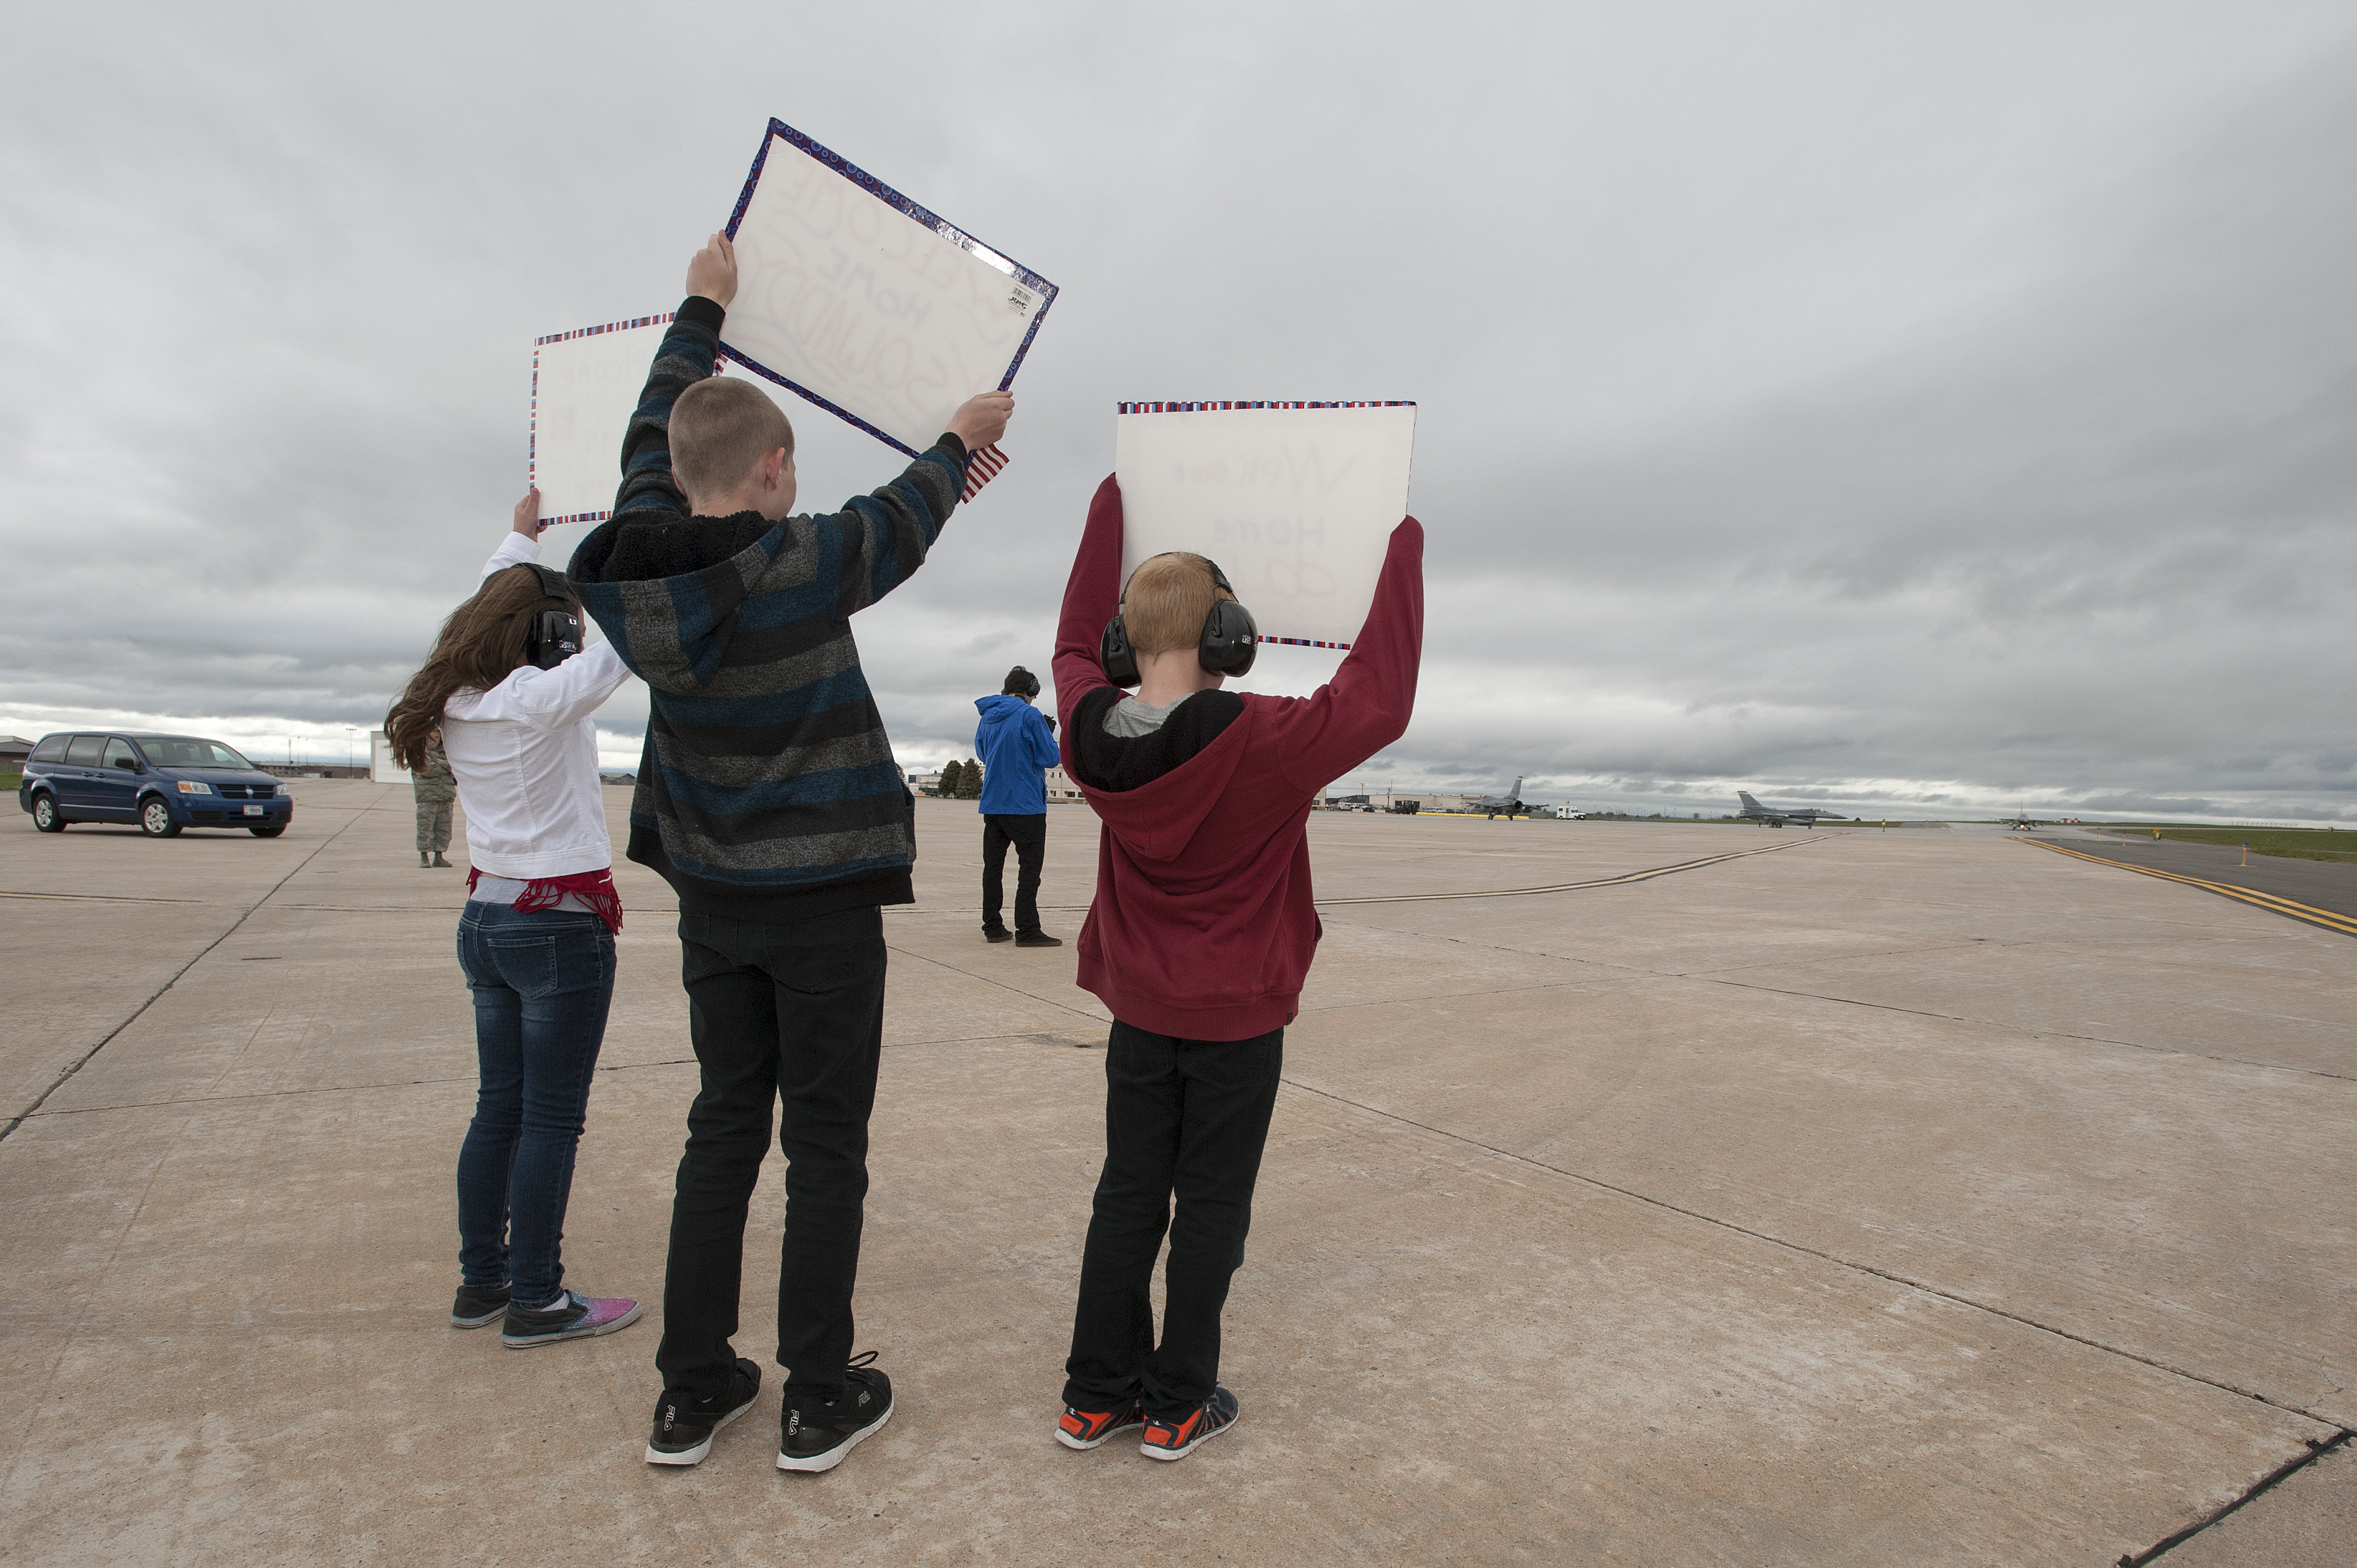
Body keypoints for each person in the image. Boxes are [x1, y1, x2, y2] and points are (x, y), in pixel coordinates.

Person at [566, 233, 1013, 1474]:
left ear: (672, 475)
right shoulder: (801, 562)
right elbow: (905, 517)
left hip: (712, 899)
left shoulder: (641, 558)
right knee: (826, 1146)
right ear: (772, 469)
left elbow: (655, 427)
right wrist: (960, 435)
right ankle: (818, 1394)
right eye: (790, 468)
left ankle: (690, 1388)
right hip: (820, 907)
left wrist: (702, 301)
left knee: (722, 1128)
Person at [1047, 476, 1422, 1460]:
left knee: (1127, 1194)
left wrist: (1108, 515)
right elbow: (1377, 697)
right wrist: (1400, 541)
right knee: (1210, 1204)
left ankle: (1094, 1395)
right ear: (1230, 634)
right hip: (1238, 1019)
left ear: (1127, 645)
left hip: (1139, 1012)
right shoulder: (1269, 738)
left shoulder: (1086, 734)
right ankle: (1177, 1402)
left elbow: (1072, 643)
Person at [383, 486, 642, 1351]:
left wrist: (519, 539)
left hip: (489, 918)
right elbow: (631, 642)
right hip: (558, 925)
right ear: (544, 637)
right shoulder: (537, 701)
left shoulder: (457, 700)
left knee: (499, 1108)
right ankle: (538, 1297)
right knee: (549, 1120)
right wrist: (653, 544)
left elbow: (493, 604)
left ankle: (482, 1283)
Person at [973, 665, 1063, 947]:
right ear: (1031, 691)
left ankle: (993, 926)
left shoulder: (987, 716)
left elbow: (982, 753)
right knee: (1029, 870)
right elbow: (1050, 758)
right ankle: (1027, 929)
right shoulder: (1029, 714)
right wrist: (1046, 734)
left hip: (993, 804)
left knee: (993, 868)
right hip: (1026, 805)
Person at [413, 731, 456, 868]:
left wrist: (439, 763)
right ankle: (424, 857)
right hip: (428, 795)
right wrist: (446, 766)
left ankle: (439, 856)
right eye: (432, 737)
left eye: (438, 737)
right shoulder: (419, 751)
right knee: (425, 826)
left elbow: (454, 766)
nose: (435, 739)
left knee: (444, 827)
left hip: (446, 794)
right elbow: (427, 769)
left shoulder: (447, 751)